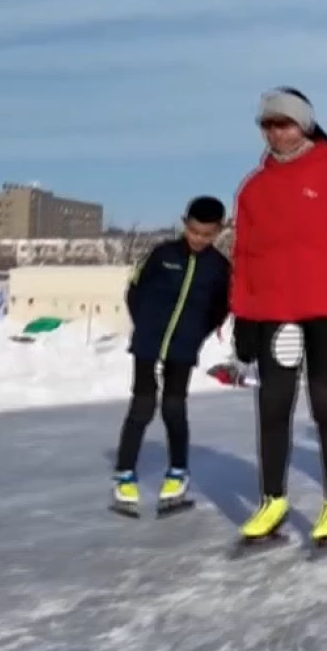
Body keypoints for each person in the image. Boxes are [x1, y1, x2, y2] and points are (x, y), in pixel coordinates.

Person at [229, 88, 327, 547]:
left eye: (284, 123)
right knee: (272, 406)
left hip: (326, 312)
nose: (276, 133)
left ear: (305, 126)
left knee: (326, 403)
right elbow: (244, 257)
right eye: (268, 125)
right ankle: (272, 499)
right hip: (275, 312)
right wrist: (243, 314)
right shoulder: (253, 189)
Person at [110, 196, 231, 517]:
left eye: (207, 234)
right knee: (142, 406)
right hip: (148, 343)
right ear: (184, 223)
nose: (199, 239)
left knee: (174, 408)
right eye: (194, 231)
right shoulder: (163, 254)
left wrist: (195, 334)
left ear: (219, 231)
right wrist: (144, 325)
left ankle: (177, 472)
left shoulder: (219, 268)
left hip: (183, 347)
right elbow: (135, 290)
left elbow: (219, 309)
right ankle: (124, 473)